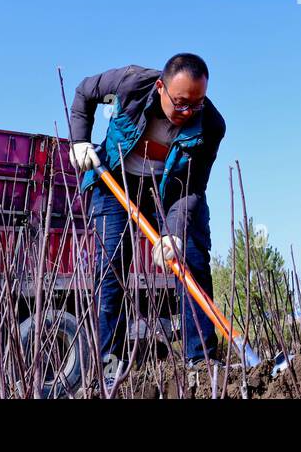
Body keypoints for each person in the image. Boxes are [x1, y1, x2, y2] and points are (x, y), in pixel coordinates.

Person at [68, 53, 226, 388]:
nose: (188, 113)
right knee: (110, 269)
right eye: (181, 103)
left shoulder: (211, 124)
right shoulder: (130, 83)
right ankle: (108, 368)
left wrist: (174, 233)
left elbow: (194, 186)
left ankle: (200, 360)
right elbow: (84, 92)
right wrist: (80, 140)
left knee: (193, 261)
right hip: (116, 181)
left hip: (172, 189)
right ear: (160, 88)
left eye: (196, 104)